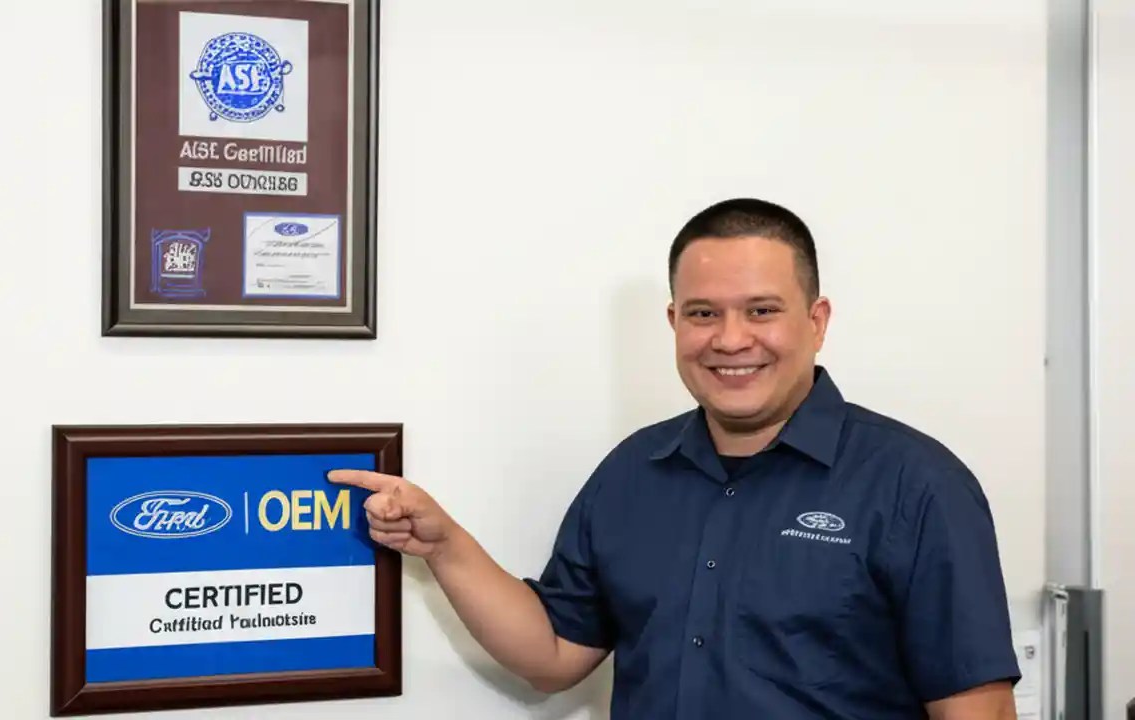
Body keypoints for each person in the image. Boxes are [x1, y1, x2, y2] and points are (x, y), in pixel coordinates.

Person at [328, 198, 1022, 719]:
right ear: (673, 324)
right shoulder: (633, 473)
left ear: (816, 321)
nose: (729, 339)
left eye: (761, 310)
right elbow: (552, 656)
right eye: (702, 314)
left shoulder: (917, 486)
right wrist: (445, 545)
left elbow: (976, 711)